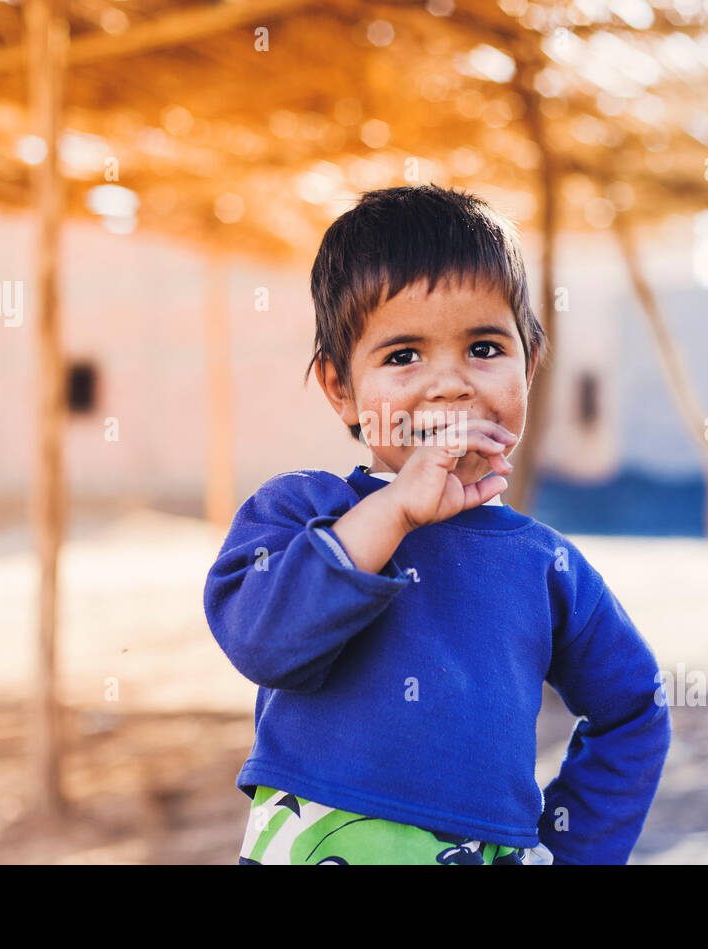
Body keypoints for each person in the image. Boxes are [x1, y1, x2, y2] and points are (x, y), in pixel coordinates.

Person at [203, 184, 671, 865]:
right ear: (341, 388)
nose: (450, 383)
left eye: (484, 347)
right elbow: (262, 642)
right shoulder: (302, 512)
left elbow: (634, 708)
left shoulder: (546, 566)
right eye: (402, 356)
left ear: (530, 364)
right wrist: (391, 510)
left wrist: (573, 850)